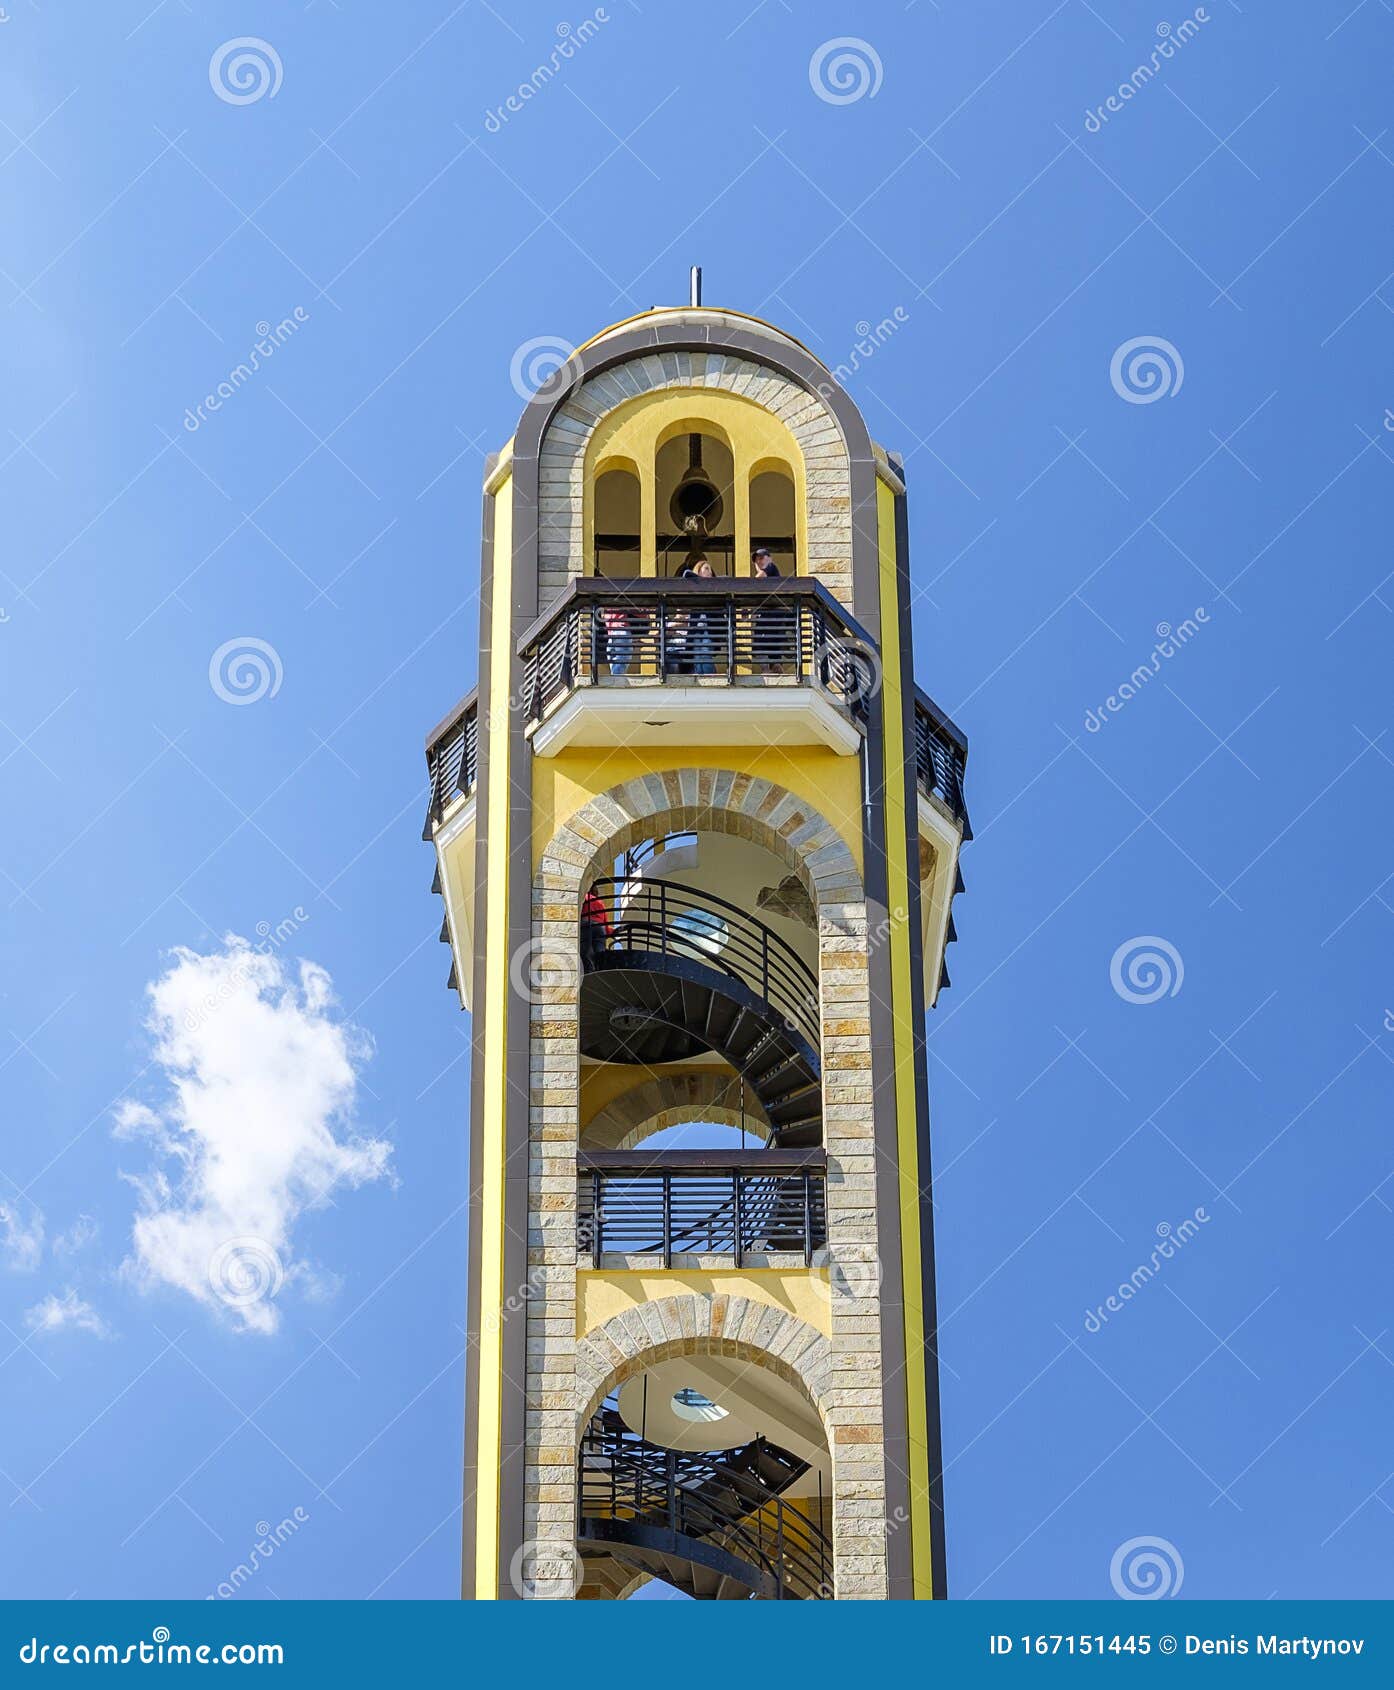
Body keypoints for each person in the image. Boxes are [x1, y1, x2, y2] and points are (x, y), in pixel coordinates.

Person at [752, 547, 794, 674]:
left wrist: (758, 570)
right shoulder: (769, 571)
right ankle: (772, 667)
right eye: (756, 560)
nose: (759, 561)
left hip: (772, 614)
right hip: (771, 614)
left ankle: (770, 668)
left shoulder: (770, 567)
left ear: (769, 558)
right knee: (770, 642)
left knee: (764, 641)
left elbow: (758, 578)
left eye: (761, 558)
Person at [690, 557, 719, 676]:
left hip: (710, 627)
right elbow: (687, 574)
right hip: (697, 626)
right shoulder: (693, 585)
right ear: (699, 571)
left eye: (711, 570)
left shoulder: (715, 587)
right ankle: (699, 678)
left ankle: (709, 677)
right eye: (706, 568)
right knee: (697, 652)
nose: (710, 571)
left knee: (706, 651)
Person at [579, 882, 612, 966]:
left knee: (586, 952)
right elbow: (606, 925)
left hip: (586, 925)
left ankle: (588, 969)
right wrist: (613, 931)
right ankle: (598, 969)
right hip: (600, 928)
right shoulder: (600, 902)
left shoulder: (583, 898)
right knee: (599, 952)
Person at [602, 602, 634, 677]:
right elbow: (641, 612)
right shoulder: (620, 599)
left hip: (611, 637)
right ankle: (616, 685)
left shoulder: (604, 604)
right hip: (622, 632)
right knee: (620, 665)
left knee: (615, 667)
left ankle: (615, 683)